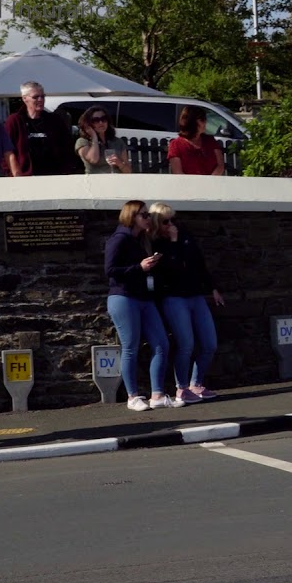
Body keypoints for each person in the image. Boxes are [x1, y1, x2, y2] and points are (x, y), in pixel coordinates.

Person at [105, 201, 177, 411]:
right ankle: (132, 397)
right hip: (124, 298)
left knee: (161, 343)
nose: (148, 218)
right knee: (130, 346)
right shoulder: (119, 239)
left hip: (144, 298)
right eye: (144, 215)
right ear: (132, 216)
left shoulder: (142, 240)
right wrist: (139, 267)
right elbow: (110, 270)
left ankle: (157, 395)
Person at [148, 203, 222, 405]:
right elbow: (173, 268)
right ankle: (181, 388)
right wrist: (173, 241)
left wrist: (212, 288)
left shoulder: (185, 235)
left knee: (209, 343)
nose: (171, 224)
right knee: (186, 344)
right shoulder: (156, 244)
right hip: (174, 297)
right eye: (165, 221)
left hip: (195, 294)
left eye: (173, 220)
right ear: (156, 223)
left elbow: (198, 263)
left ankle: (196, 383)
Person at [5, 81, 77, 176]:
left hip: (53, 175)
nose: (40, 99)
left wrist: (66, 170)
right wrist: (12, 173)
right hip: (25, 177)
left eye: (42, 96)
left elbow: (67, 146)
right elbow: (6, 150)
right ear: (24, 98)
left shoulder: (55, 120)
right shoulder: (15, 120)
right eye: (35, 97)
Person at [168, 106, 225, 175]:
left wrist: (210, 181)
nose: (205, 123)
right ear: (192, 122)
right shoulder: (176, 145)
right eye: (202, 120)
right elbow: (178, 172)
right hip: (187, 184)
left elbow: (220, 165)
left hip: (212, 183)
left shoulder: (210, 140)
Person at [75, 105, 133, 175]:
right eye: (96, 120)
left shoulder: (117, 142)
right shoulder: (83, 142)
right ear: (88, 124)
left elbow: (128, 171)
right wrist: (94, 137)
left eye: (104, 119)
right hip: (96, 181)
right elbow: (93, 159)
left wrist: (119, 163)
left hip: (117, 179)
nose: (101, 122)